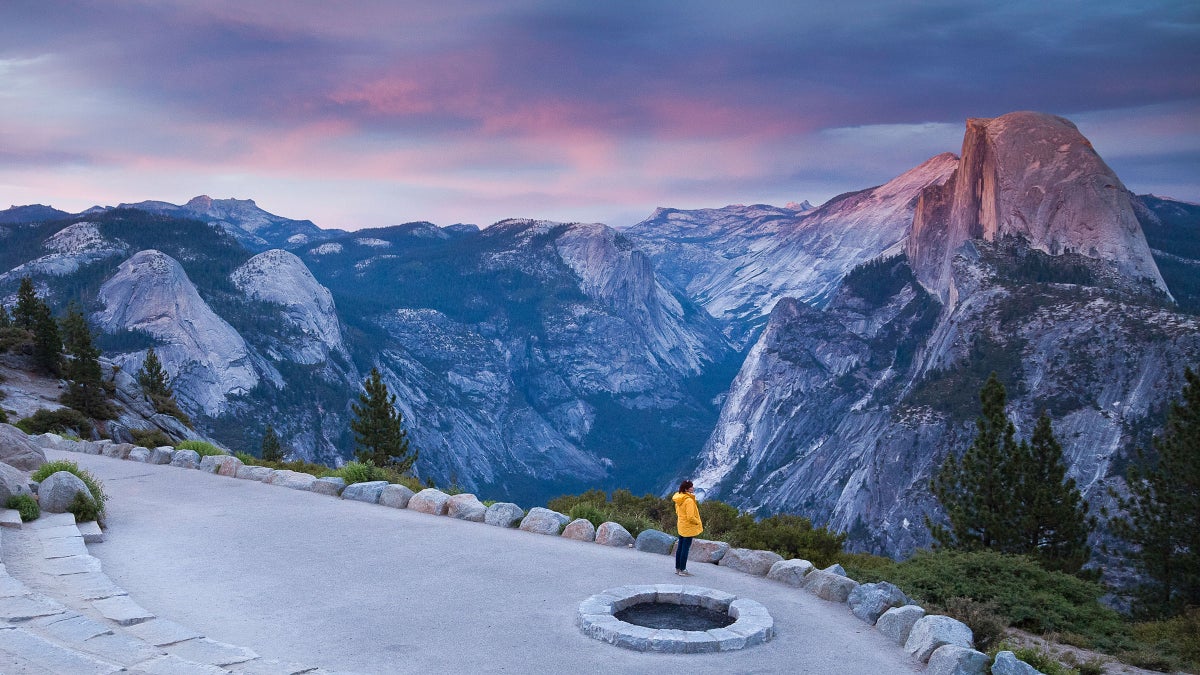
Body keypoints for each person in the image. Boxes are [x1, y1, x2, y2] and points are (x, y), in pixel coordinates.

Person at [672, 480, 703, 576]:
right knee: (685, 549)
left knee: (680, 548)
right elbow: (690, 517)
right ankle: (683, 569)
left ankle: (677, 568)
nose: (693, 488)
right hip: (688, 528)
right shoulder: (688, 500)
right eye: (691, 487)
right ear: (686, 489)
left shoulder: (679, 498)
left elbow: (677, 512)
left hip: (681, 525)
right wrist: (698, 522)